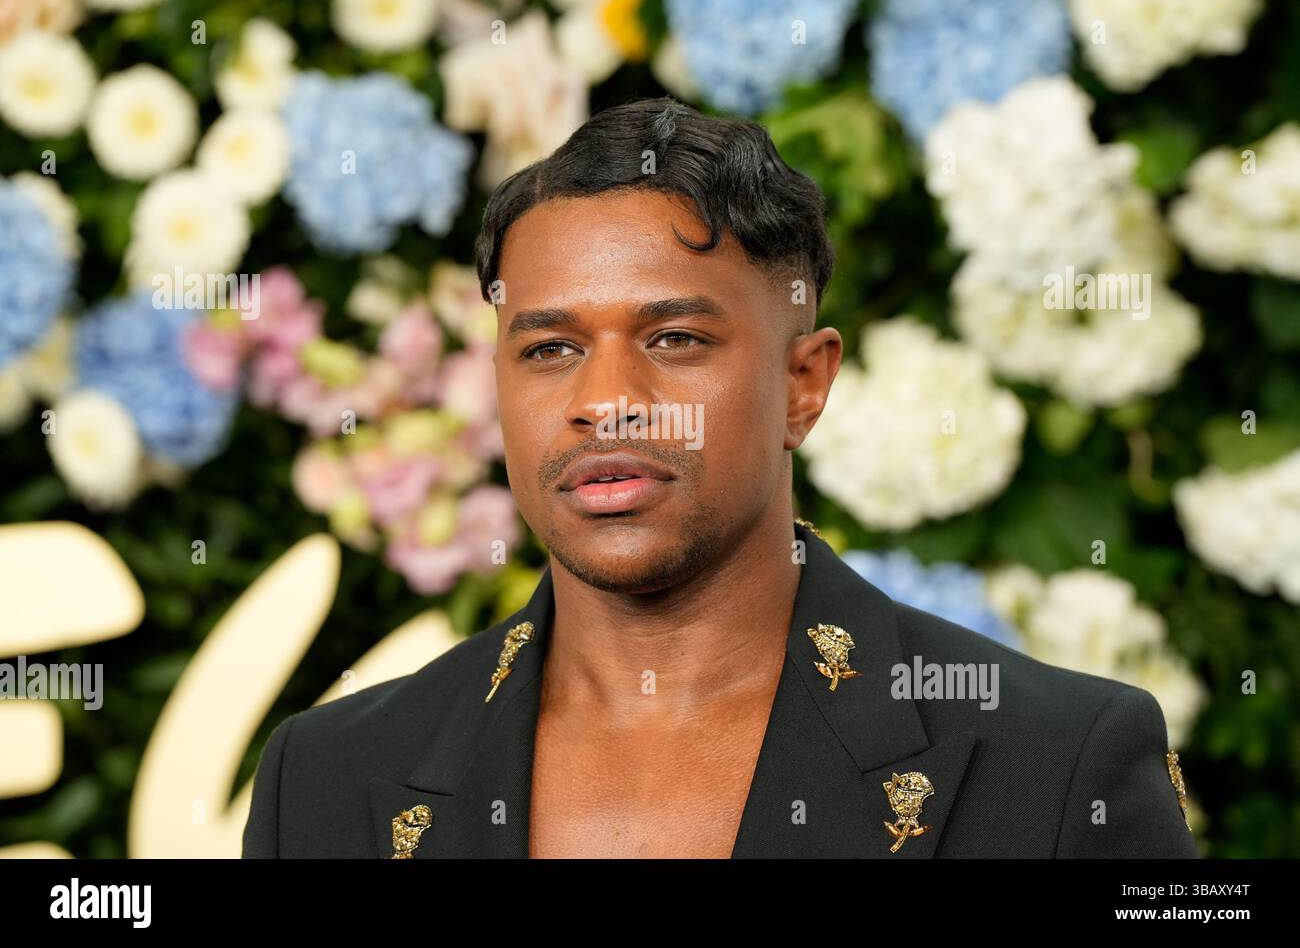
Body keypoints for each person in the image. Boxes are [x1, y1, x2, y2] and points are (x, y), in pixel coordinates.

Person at [242, 97, 1197, 858]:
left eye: (676, 339)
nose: (607, 400)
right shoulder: (329, 780)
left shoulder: (1057, 761)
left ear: (803, 383)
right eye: (549, 350)